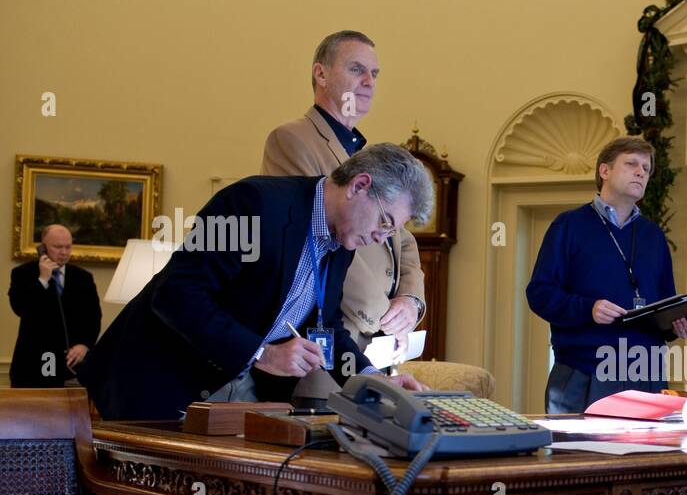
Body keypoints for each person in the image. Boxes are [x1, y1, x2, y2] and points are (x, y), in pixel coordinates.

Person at [76, 144, 432, 420]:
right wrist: (263, 353)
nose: (380, 236)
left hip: (234, 393)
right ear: (359, 185)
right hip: (156, 383)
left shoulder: (343, 240)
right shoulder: (253, 204)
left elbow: (327, 328)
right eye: (385, 222)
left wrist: (375, 381)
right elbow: (178, 294)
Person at [262, 30, 425, 402]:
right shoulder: (292, 140)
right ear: (321, 74)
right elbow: (316, 246)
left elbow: (406, 242)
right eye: (357, 69)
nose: (368, 81)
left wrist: (410, 301)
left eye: (375, 74)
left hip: (375, 353)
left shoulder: (365, 155)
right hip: (324, 355)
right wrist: (376, 317)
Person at [526, 136, 687, 413]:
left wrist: (675, 325)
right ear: (605, 171)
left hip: (646, 374)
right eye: (632, 164)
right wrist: (587, 308)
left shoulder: (653, 235)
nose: (641, 172)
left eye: (646, 168)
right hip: (584, 370)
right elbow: (540, 293)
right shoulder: (568, 225)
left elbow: (663, 302)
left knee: (648, 458)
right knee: (578, 457)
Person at [8, 224, 101, 387]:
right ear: (43, 247)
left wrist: (84, 344)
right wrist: (42, 280)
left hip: (71, 364)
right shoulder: (23, 273)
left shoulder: (83, 277)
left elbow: (93, 317)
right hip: (33, 363)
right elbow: (20, 308)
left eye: (68, 247)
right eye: (58, 247)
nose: (64, 252)